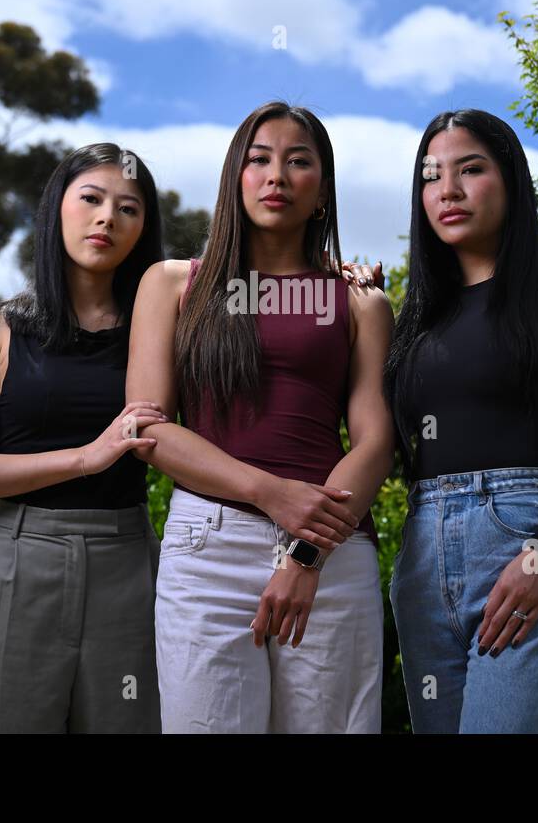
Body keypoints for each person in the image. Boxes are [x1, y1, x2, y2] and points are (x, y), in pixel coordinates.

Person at [127, 101, 395, 733]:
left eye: (299, 161)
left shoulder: (360, 302)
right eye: (259, 159)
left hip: (331, 548)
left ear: (322, 189)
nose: (277, 175)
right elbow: (147, 429)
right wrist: (273, 496)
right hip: (207, 550)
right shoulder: (171, 285)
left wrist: (304, 553)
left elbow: (378, 442)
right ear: (235, 178)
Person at [384, 109, 538, 733]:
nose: (448, 190)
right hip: (423, 555)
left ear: (512, 180)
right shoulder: (414, 320)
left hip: (530, 537)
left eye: (471, 169)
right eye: (432, 176)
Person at [0, 143, 167, 733]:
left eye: (128, 208)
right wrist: (85, 458)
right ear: (56, 209)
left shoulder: (162, 335)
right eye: (90, 198)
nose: (106, 219)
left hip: (128, 565)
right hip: (17, 558)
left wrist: (338, 283)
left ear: (143, 229)